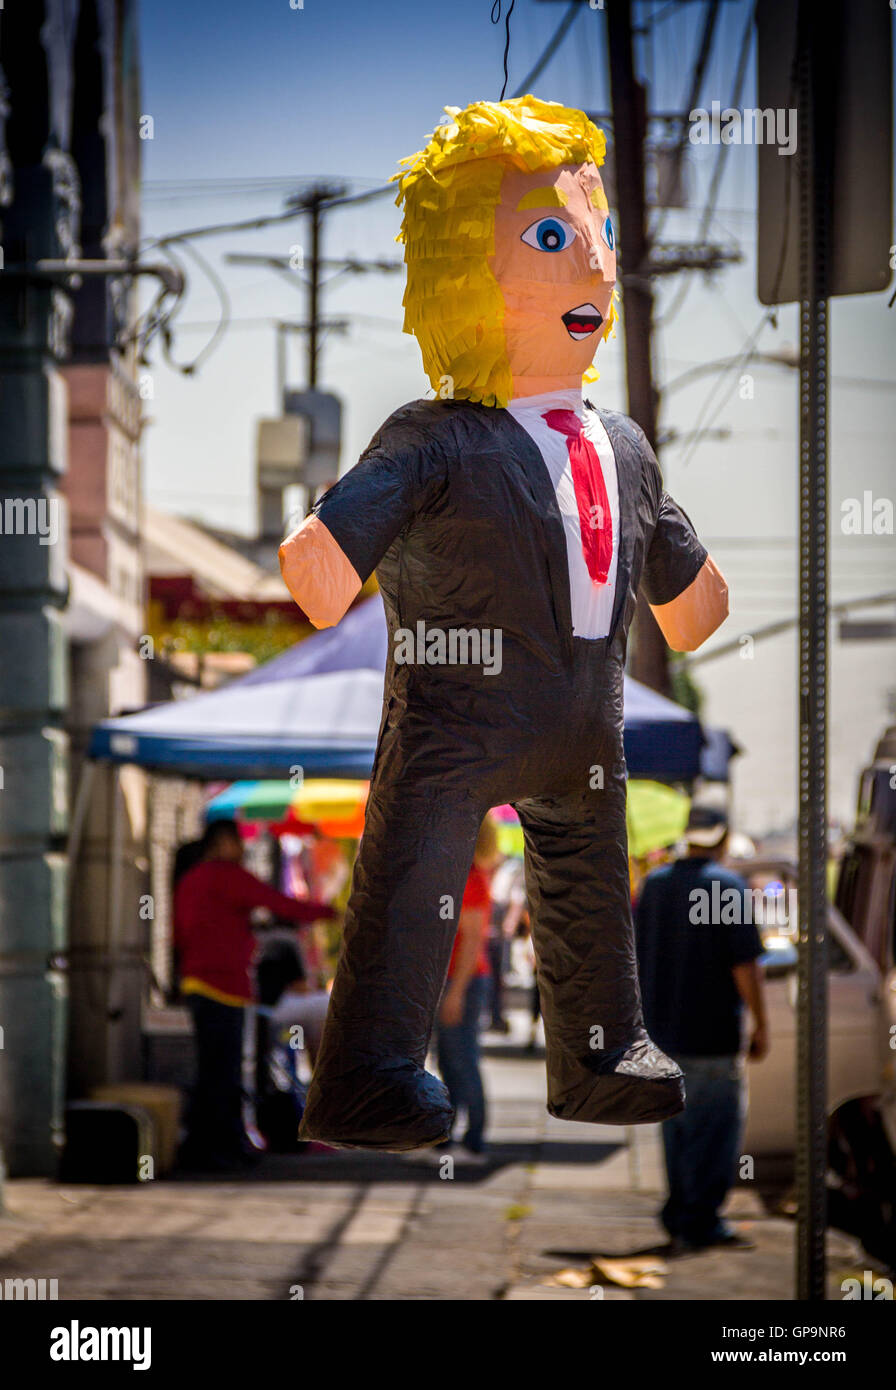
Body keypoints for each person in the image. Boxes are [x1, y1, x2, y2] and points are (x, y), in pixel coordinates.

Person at [279, 97, 729, 1152]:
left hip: (584, 719)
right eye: (550, 239)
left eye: (600, 237)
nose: (594, 267)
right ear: (462, 279)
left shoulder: (623, 447)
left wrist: (703, 596)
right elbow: (321, 564)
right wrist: (319, 550)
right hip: (454, 714)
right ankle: (370, 1071)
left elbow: (691, 606)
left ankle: (601, 1052)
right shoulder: (433, 437)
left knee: (584, 885)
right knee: (413, 872)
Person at [634, 805, 769, 1252]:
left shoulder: (654, 886)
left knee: (677, 1131)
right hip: (711, 1036)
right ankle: (701, 1221)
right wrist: (761, 1024)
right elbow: (745, 966)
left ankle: (680, 1215)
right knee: (714, 1133)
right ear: (723, 838)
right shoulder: (727, 886)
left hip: (662, 1036)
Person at [173, 818, 335, 1171]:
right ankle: (219, 1150)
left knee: (211, 1071)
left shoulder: (190, 880)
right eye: (237, 842)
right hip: (225, 987)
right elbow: (278, 903)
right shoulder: (228, 876)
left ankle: (205, 1147)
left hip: (197, 984)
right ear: (222, 843)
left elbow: (180, 933)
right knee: (225, 1073)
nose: (243, 850)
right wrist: (330, 912)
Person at [432, 816, 501, 1163]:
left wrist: (455, 992)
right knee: (450, 1060)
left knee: (462, 1060)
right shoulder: (462, 876)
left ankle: (474, 1141)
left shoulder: (469, 878)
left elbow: (472, 940)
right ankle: (451, 1139)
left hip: (465, 980)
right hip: (459, 979)